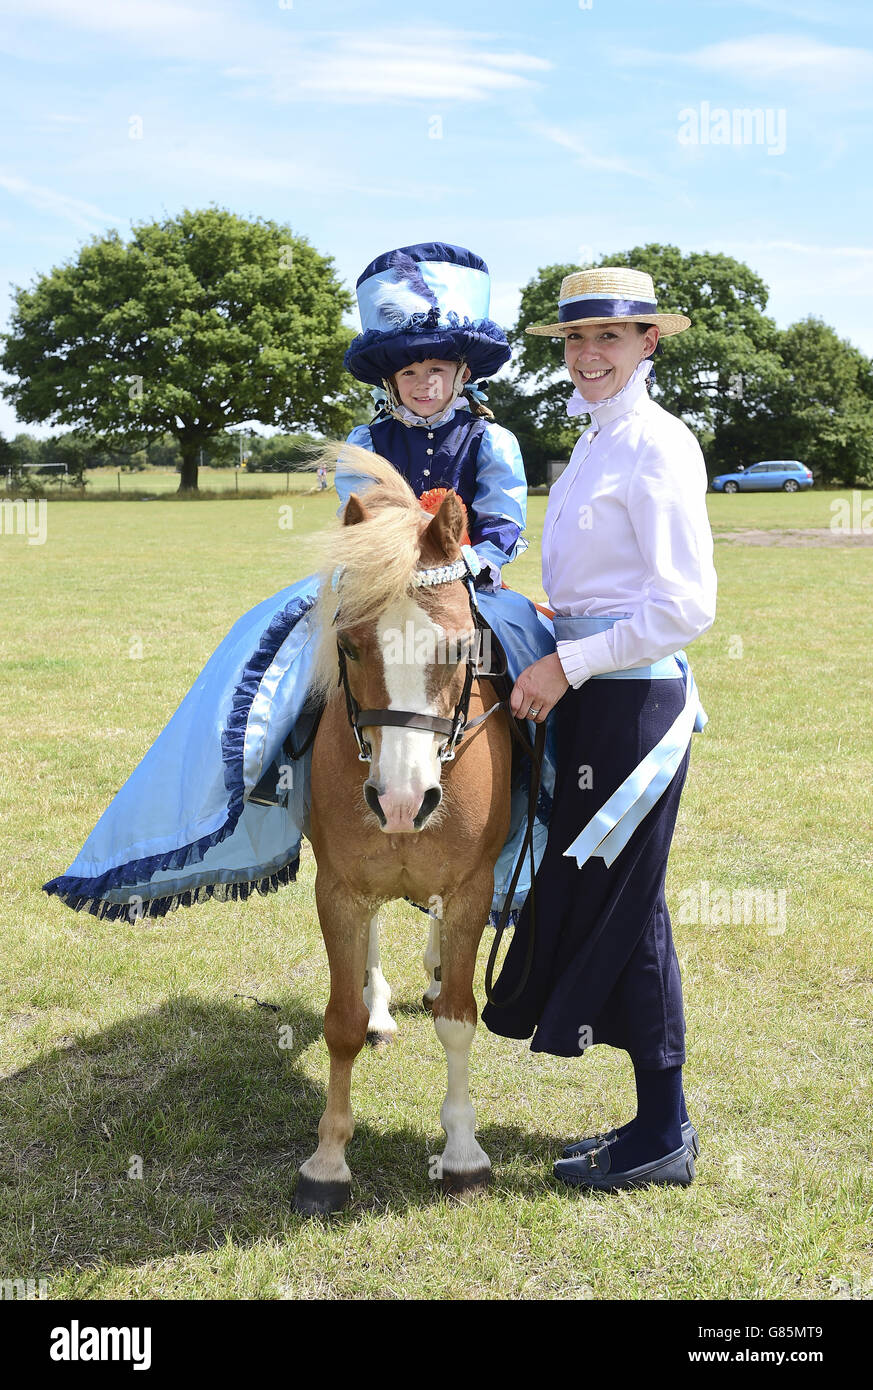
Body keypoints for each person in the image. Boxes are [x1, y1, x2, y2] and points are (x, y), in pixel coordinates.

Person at [42, 243, 555, 928]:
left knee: (532, 652)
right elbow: (358, 529)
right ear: (391, 379)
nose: (425, 383)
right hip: (374, 584)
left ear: (461, 371)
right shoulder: (363, 439)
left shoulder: (492, 442)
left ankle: (543, 790)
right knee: (266, 651)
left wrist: (473, 562)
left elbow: (503, 525)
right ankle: (268, 774)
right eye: (411, 370)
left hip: (468, 581)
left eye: (437, 369)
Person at [481, 266, 717, 1192]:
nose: (587, 356)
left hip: (628, 703)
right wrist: (548, 615)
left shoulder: (657, 444)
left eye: (608, 339)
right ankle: (656, 1123)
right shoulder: (592, 443)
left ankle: (663, 1133)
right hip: (586, 691)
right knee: (607, 900)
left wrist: (568, 660)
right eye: (575, 342)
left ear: (648, 343)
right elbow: (606, 589)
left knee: (631, 908)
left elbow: (683, 606)